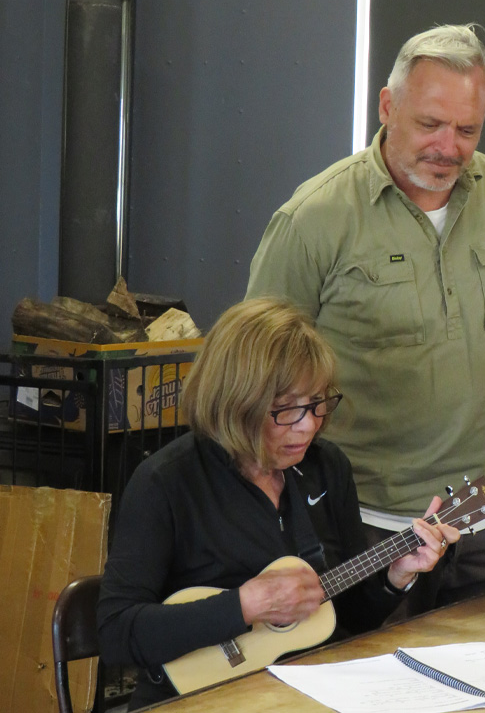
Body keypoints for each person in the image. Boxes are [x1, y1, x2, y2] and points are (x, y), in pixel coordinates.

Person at [246, 23, 485, 616]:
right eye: (430, 124)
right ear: (387, 107)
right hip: (365, 519)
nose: (448, 146)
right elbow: (255, 375)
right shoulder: (315, 218)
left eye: (467, 130)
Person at [98, 298, 459, 709]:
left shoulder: (327, 468)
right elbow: (115, 633)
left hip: (304, 689)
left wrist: (396, 577)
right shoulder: (166, 481)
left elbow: (349, 618)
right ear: (235, 403)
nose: (308, 425)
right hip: (193, 699)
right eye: (286, 409)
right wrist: (245, 605)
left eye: (317, 403)